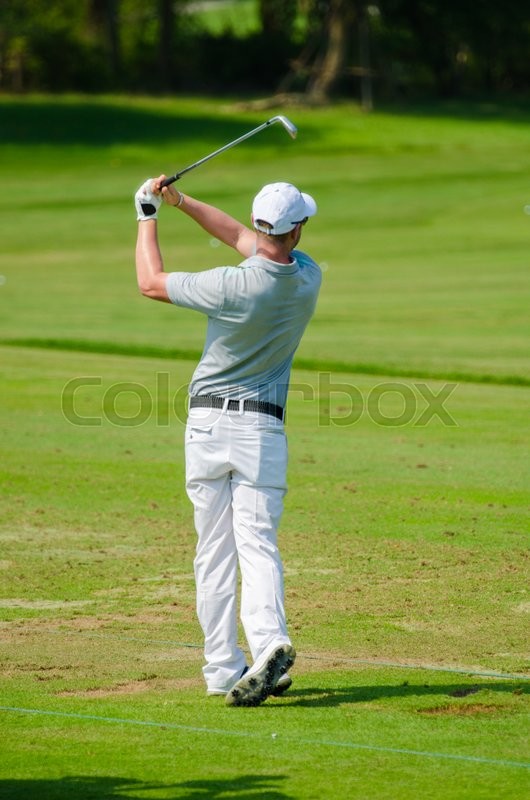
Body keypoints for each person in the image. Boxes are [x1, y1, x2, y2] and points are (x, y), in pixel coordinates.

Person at [134, 176, 321, 706]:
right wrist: (181, 201)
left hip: (207, 428)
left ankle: (221, 668)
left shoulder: (229, 285)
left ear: (264, 226)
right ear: (297, 230)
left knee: (212, 552)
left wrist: (148, 214)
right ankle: (267, 645)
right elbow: (242, 237)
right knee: (257, 542)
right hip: (262, 431)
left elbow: (151, 281)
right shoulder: (308, 277)